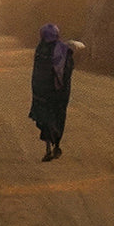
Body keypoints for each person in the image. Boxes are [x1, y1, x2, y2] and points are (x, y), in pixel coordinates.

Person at [29, 23, 75, 162]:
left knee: (46, 118)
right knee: (59, 116)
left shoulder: (40, 50)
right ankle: (57, 145)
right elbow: (68, 71)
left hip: (43, 92)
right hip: (60, 92)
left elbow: (37, 73)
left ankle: (48, 148)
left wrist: (36, 91)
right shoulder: (63, 50)